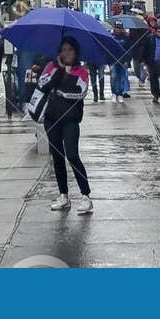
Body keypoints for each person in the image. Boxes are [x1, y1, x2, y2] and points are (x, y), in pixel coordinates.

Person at [36, 37, 93, 214]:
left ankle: (86, 196)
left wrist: (62, 87)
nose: (66, 53)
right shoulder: (51, 67)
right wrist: (58, 71)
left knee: (73, 155)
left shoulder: (81, 71)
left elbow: (80, 92)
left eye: (70, 49)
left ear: (75, 52)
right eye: (63, 49)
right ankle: (64, 196)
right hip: (51, 119)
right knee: (57, 157)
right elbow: (42, 84)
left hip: (71, 120)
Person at [109, 24, 131, 101]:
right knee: (114, 77)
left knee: (121, 78)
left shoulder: (126, 38)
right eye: (117, 28)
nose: (118, 29)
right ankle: (114, 93)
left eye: (120, 28)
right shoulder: (110, 37)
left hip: (123, 61)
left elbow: (129, 50)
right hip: (112, 60)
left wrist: (127, 60)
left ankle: (120, 93)